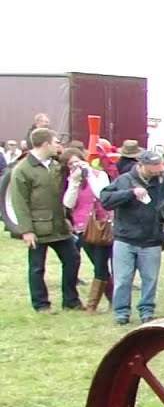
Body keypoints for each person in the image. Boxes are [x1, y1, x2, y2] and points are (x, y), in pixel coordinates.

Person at [10, 128, 82, 313]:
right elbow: (20, 202)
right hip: (38, 227)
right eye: (55, 142)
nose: (58, 145)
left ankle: (71, 300)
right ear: (45, 144)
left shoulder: (55, 165)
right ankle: (41, 304)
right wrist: (26, 230)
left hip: (59, 225)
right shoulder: (23, 169)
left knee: (72, 259)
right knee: (37, 268)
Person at [101, 151, 164, 325]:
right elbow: (105, 199)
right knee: (123, 279)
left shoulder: (160, 183)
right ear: (141, 165)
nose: (156, 170)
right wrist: (130, 193)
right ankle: (121, 313)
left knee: (150, 279)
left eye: (158, 166)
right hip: (125, 239)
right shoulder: (124, 180)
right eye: (153, 167)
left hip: (151, 239)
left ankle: (147, 311)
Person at [60, 147, 113, 314]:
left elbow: (101, 195)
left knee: (100, 264)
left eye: (77, 161)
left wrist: (89, 174)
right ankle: (113, 300)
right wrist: (74, 183)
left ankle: (92, 306)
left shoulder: (99, 175)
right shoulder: (71, 180)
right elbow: (68, 204)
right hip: (83, 228)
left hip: (100, 225)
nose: (75, 166)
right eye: (71, 164)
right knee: (98, 264)